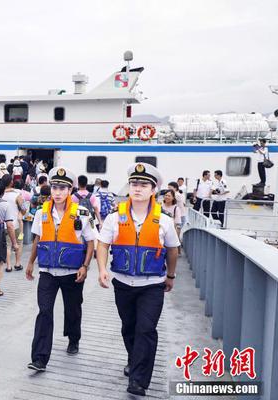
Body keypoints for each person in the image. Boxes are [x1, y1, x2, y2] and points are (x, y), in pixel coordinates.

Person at [96, 162, 180, 396]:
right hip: (122, 283)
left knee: (146, 329)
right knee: (129, 328)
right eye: (134, 183)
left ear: (153, 190)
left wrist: (170, 276)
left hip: (152, 285)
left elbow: (173, 250)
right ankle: (134, 360)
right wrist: (102, 268)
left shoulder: (163, 221)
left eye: (143, 184)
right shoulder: (114, 218)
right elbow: (102, 244)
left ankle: (138, 380)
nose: (137, 188)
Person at [26, 166, 96, 372]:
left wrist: (85, 266)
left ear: (70, 190)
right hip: (47, 272)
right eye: (54, 187)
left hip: (72, 272)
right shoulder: (41, 212)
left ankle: (73, 338)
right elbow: (38, 239)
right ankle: (39, 358)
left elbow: (91, 242)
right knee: (44, 311)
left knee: (73, 309)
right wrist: (30, 262)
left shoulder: (82, 213)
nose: (57, 192)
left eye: (62, 188)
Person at [1, 174, 26, 272]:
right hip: (16, 224)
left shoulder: (0, 194)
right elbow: (24, 209)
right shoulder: (17, 195)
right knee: (19, 242)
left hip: (4, 225)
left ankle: (8, 266)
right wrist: (21, 212)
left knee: (7, 245)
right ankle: (18, 263)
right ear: (11, 182)